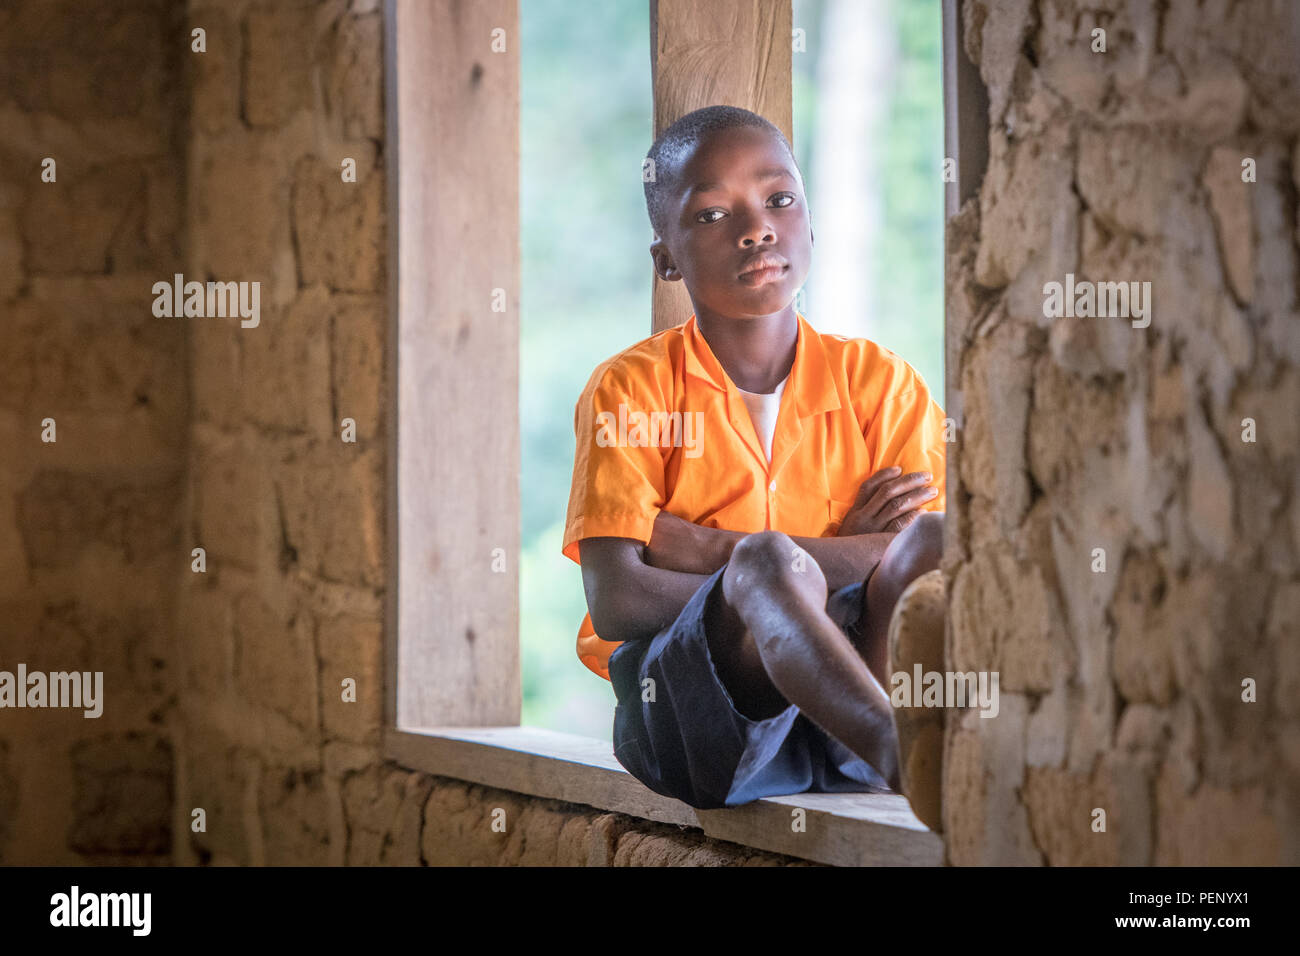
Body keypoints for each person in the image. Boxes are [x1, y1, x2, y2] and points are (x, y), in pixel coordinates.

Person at [561, 105, 947, 810]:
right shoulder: (632, 389)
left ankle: (889, 735)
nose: (756, 227)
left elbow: (914, 557)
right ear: (666, 258)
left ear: (808, 216)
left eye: (779, 199)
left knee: (933, 536)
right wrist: (777, 582)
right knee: (769, 564)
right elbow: (616, 600)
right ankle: (906, 756)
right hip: (701, 725)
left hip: (856, 683)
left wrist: (700, 546)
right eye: (712, 214)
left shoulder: (882, 384)